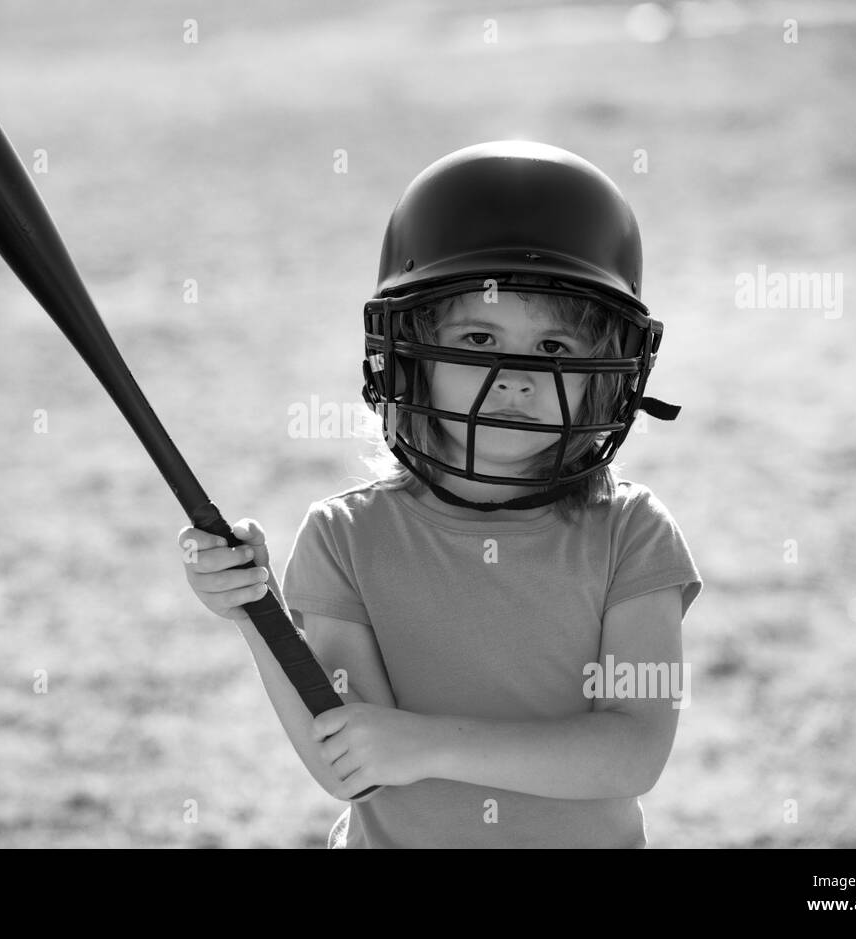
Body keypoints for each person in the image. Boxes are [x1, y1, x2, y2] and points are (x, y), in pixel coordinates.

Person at [178, 141, 703, 847]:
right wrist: (255, 612)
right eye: (479, 335)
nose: (515, 376)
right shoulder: (346, 537)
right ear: (408, 357)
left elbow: (633, 751)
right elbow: (350, 767)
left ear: (608, 373)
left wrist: (426, 744)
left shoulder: (633, 533)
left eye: (554, 348)